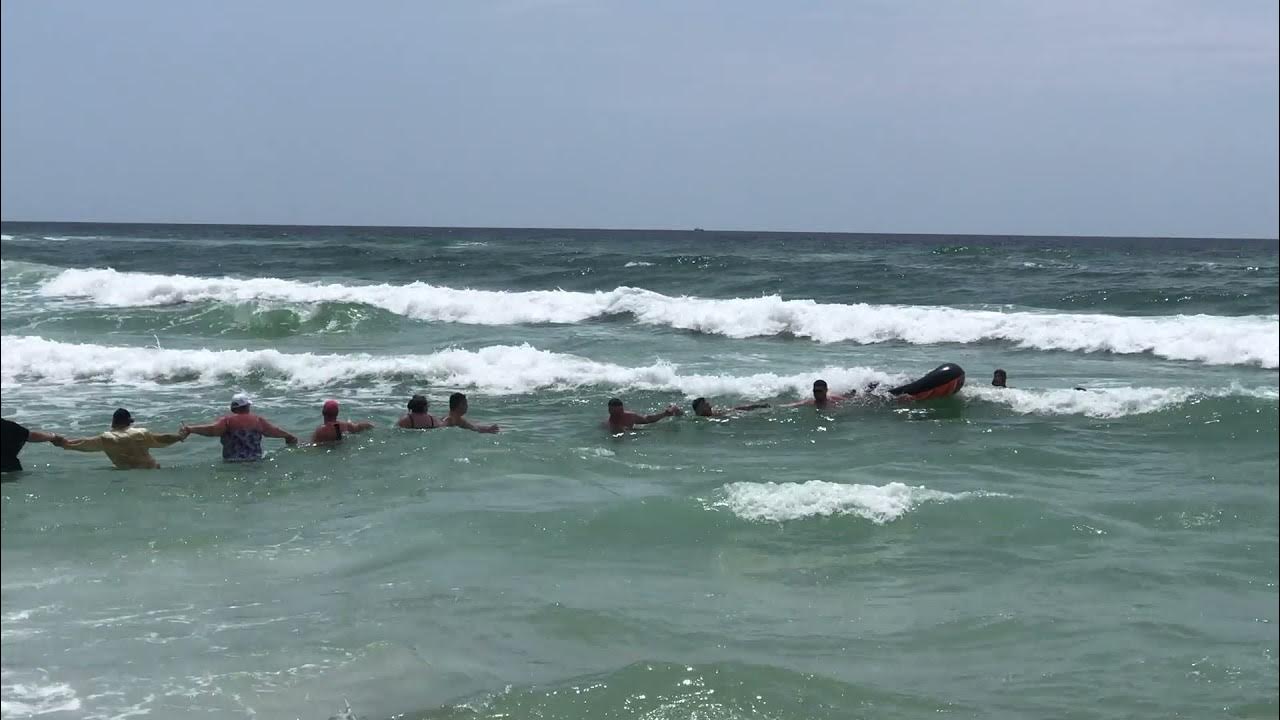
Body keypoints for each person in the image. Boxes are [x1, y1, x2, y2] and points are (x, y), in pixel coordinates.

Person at [56, 408, 188, 470]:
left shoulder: (107, 439)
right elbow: (163, 439)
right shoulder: (141, 433)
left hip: (128, 473)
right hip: (151, 469)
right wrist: (180, 436)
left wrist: (66, 444)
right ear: (129, 422)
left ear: (113, 422)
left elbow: (85, 443)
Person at [182, 393, 298, 462]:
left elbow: (212, 430)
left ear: (233, 408)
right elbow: (273, 431)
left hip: (232, 462)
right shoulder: (257, 420)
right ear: (247, 406)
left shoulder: (227, 421)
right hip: (255, 461)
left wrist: (191, 429)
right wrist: (289, 436)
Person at [605, 397, 682, 432]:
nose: (620, 414)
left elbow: (647, 420)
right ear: (610, 411)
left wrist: (665, 414)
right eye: (617, 412)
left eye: (621, 411)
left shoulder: (629, 416)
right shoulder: (609, 424)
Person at [784, 379, 851, 408]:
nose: (817, 394)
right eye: (815, 391)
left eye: (819, 391)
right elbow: (795, 404)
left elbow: (849, 401)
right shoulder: (810, 402)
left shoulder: (834, 399)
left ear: (825, 390)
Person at [690, 397, 770, 417]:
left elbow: (736, 409)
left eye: (707, 403)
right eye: (705, 404)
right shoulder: (704, 417)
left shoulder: (715, 413)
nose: (708, 405)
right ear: (699, 409)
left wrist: (757, 406)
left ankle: (759, 405)